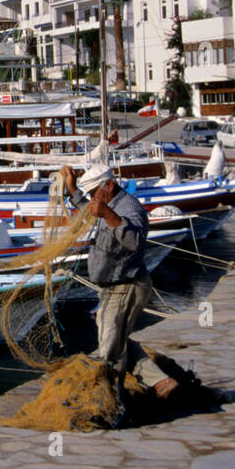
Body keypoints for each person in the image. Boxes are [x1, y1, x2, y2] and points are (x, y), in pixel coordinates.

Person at [60, 163, 178, 399]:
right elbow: (90, 211)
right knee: (116, 338)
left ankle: (111, 396)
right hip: (113, 286)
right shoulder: (107, 204)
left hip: (126, 285)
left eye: (95, 192)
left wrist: (107, 214)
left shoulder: (128, 207)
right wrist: (73, 190)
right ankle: (161, 382)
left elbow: (135, 241)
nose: (93, 197)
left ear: (109, 184)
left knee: (110, 347)